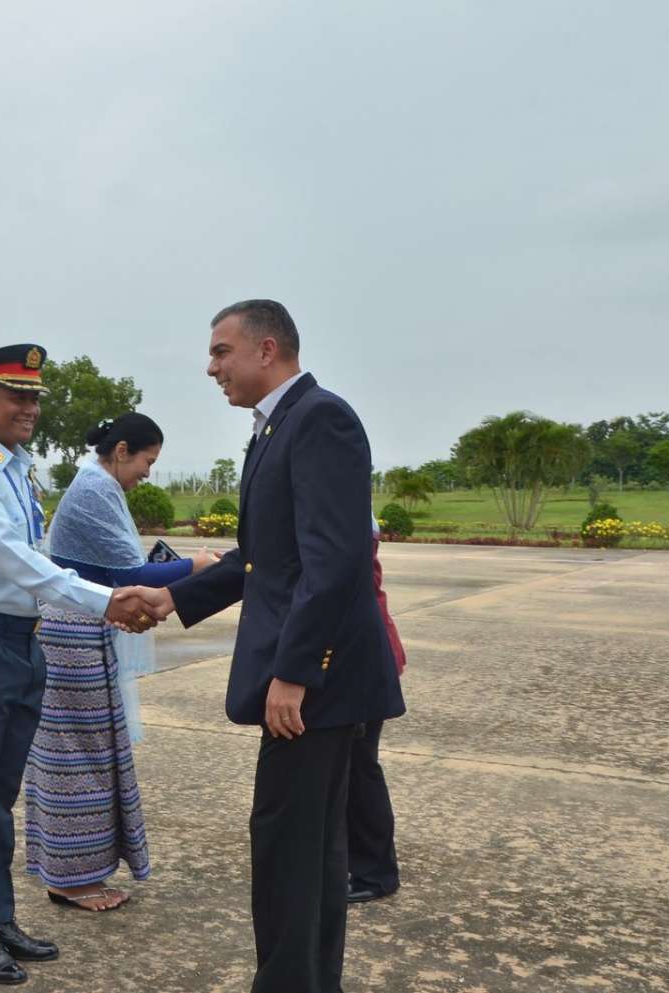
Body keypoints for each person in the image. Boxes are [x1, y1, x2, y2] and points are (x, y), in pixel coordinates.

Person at [129, 300, 405, 993]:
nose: (211, 365)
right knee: (308, 851)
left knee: (288, 849)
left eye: (222, 351)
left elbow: (333, 560)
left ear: (267, 348)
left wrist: (295, 672)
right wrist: (177, 596)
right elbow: (265, 556)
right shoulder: (278, 425)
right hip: (317, 676)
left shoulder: (320, 419)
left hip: (318, 683)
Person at [0, 344, 156, 986]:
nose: (28, 407)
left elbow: (36, 559)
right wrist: (107, 600)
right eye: (13, 395)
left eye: (33, 397)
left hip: (21, 640)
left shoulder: (16, 469)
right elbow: (16, 560)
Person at [27, 412, 218, 912]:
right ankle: (71, 880)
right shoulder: (94, 490)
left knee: (92, 753)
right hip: (72, 633)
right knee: (79, 759)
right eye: (147, 462)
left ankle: (75, 873)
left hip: (83, 627)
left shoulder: (98, 486)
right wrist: (195, 567)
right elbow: (131, 571)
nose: (148, 473)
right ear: (121, 451)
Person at [348, 519, 408, 904]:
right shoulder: (352, 511)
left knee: (358, 769)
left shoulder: (347, 517)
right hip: (365, 654)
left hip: (362, 659)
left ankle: (376, 872)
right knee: (356, 768)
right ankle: (365, 864)